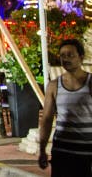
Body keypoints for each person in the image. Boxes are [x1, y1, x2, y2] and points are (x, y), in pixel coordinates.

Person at [38, 38, 92, 175]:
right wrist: (42, 149)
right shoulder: (54, 85)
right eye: (62, 55)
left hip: (87, 151)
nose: (66, 59)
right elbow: (47, 119)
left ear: (81, 57)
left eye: (70, 55)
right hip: (62, 151)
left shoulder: (90, 82)